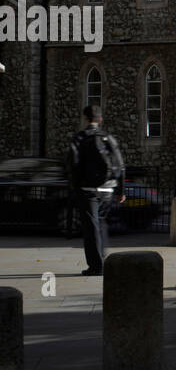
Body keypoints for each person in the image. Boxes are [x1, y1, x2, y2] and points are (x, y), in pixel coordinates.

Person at [66, 106, 125, 276]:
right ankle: (103, 261)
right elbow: (120, 165)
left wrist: (75, 187)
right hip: (107, 189)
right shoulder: (108, 139)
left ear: (85, 118)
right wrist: (121, 190)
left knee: (91, 228)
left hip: (88, 190)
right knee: (101, 224)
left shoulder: (79, 138)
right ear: (100, 120)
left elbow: (73, 165)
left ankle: (96, 266)